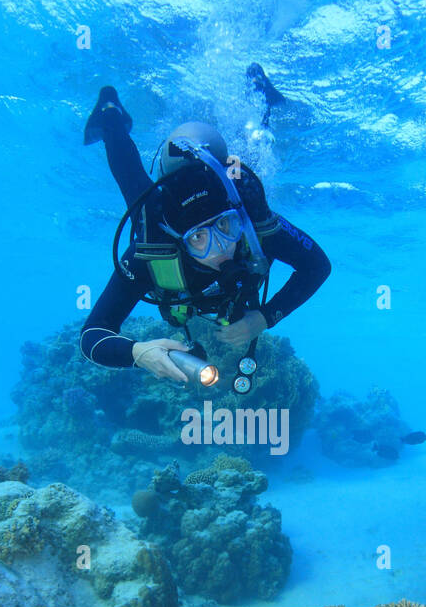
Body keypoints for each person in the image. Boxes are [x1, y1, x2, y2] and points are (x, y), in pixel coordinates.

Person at [79, 86, 330, 387]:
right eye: (199, 238)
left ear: (236, 217)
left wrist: (263, 318)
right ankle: (109, 109)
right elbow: (93, 333)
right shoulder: (155, 246)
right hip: (160, 209)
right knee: (129, 174)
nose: (220, 248)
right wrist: (137, 352)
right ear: (178, 240)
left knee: (248, 155)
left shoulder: (252, 223)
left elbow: (317, 265)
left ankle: (260, 93)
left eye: (225, 227)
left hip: (229, 187)